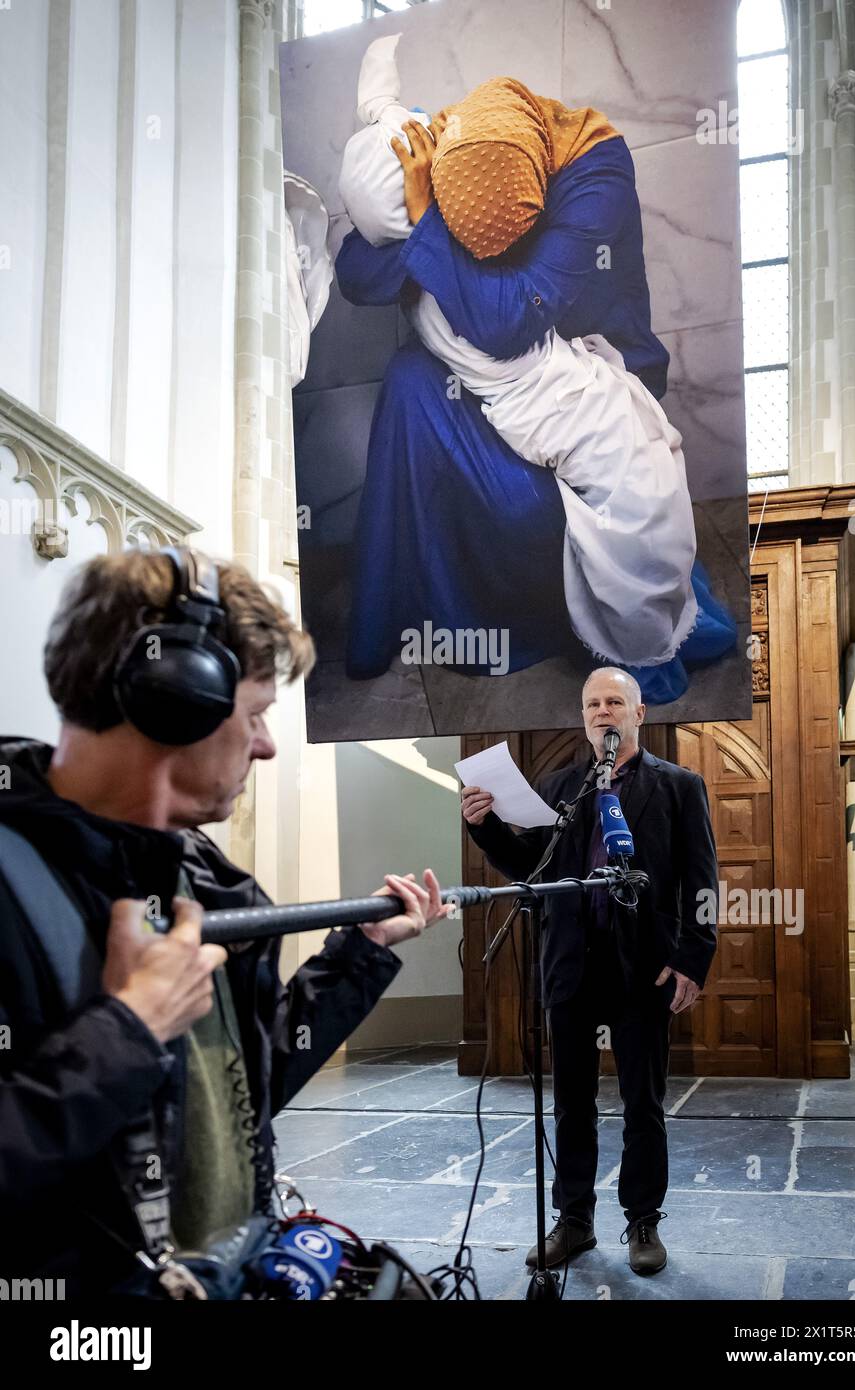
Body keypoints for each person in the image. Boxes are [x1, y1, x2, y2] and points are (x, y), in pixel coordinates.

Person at [0, 547, 446, 1294]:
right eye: (258, 714)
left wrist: (359, 955)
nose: (268, 746)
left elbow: (245, 1091)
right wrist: (127, 1031)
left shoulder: (217, 886)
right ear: (177, 695)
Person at [335, 56, 736, 702]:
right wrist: (417, 219)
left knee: (538, 502)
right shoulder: (464, 153)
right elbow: (358, 271)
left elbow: (514, 317)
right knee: (412, 375)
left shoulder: (592, 175)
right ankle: (394, 610)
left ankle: (618, 625)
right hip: (503, 361)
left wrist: (427, 230)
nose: (487, 235)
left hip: (580, 364)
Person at [461, 666, 718, 1274]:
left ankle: (643, 1223)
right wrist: (486, 825)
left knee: (642, 1103)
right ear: (583, 717)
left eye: (613, 702)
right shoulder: (559, 787)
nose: (602, 712)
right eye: (591, 704)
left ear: (638, 714)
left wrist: (692, 959)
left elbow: (702, 881)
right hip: (571, 963)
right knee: (571, 1104)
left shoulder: (679, 786)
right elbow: (532, 865)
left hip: (643, 967)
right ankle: (574, 1221)